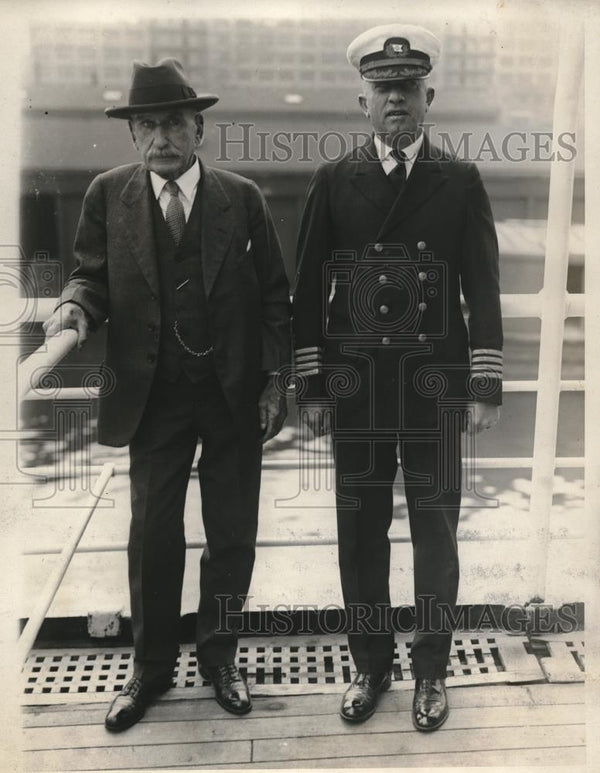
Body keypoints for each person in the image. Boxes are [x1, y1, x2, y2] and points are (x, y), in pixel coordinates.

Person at [43, 58, 291, 731]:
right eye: (147, 125)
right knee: (153, 534)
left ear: (199, 127)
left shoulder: (242, 198)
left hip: (232, 392)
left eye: (174, 122)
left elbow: (276, 297)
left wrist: (275, 382)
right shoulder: (106, 195)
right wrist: (73, 309)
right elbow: (88, 277)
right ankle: (149, 670)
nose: (161, 138)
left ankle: (220, 659)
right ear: (132, 136)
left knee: (232, 533)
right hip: (152, 395)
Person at [292, 24, 502, 731]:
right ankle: (371, 662)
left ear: (429, 96)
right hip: (357, 387)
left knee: (436, 532)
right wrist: (314, 384)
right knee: (360, 528)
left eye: (407, 88)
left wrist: (485, 382)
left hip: (433, 385)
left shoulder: (460, 180)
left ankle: (433, 669)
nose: (396, 101)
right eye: (383, 89)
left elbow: (485, 288)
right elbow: (307, 293)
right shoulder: (333, 180)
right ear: (362, 102)